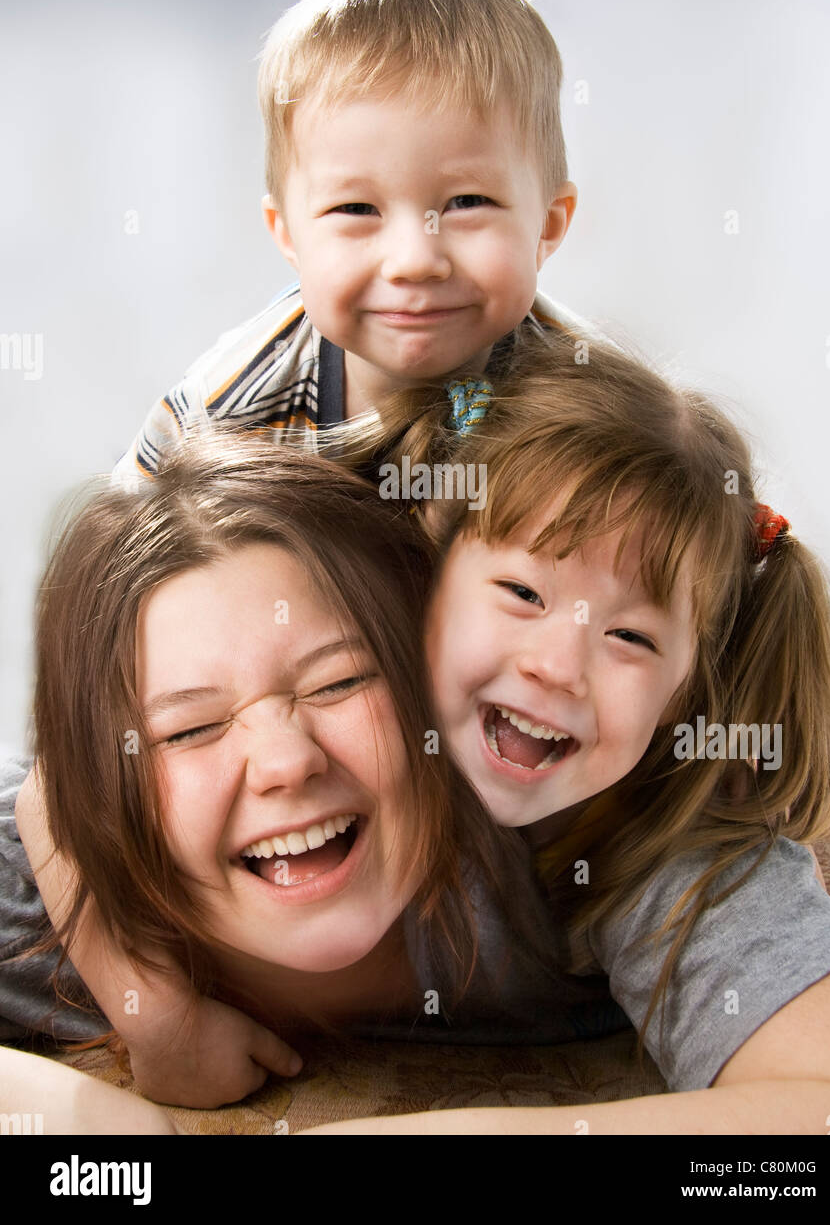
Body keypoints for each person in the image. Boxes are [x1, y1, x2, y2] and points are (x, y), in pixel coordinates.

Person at [311, 325, 830, 1131]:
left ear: (686, 694)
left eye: (630, 637)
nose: (559, 666)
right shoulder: (317, 693)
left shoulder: (668, 841)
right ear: (425, 569)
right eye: (523, 593)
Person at [5, 440, 578, 1118]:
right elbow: (49, 788)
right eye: (188, 729)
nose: (286, 762)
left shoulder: (569, 853)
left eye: (338, 682)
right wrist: (125, 1070)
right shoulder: (35, 918)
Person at [111, 0, 581, 490]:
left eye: (466, 203)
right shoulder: (222, 417)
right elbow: (117, 562)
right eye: (357, 209)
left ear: (548, 224)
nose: (414, 260)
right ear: (289, 234)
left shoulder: (594, 408)